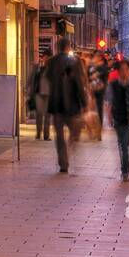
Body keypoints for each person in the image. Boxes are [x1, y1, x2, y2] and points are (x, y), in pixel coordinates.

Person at [45, 38, 86, 173]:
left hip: (56, 104)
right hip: (72, 104)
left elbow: (49, 79)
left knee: (59, 134)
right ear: (68, 47)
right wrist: (84, 102)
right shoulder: (75, 61)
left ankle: (63, 162)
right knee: (75, 131)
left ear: (58, 47)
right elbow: (80, 83)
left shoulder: (51, 62)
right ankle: (68, 152)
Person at [109, 60, 129, 181]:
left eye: (126, 69)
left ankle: (126, 167)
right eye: (121, 70)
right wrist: (109, 116)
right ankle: (125, 170)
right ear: (118, 72)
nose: (124, 72)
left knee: (126, 144)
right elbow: (109, 101)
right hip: (118, 119)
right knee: (122, 144)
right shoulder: (114, 85)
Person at [31, 52, 52, 141]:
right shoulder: (37, 67)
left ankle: (46, 135)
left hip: (49, 94)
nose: (46, 59)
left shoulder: (52, 69)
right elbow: (32, 79)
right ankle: (38, 133)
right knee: (39, 114)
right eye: (45, 57)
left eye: (48, 58)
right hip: (38, 93)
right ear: (43, 58)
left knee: (47, 115)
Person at [88, 53, 110, 137]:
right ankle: (92, 128)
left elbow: (104, 76)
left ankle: (99, 128)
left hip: (100, 90)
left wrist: (96, 74)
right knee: (92, 108)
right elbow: (88, 76)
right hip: (91, 89)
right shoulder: (91, 67)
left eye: (96, 57)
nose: (94, 58)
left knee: (99, 108)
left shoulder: (103, 67)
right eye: (94, 57)